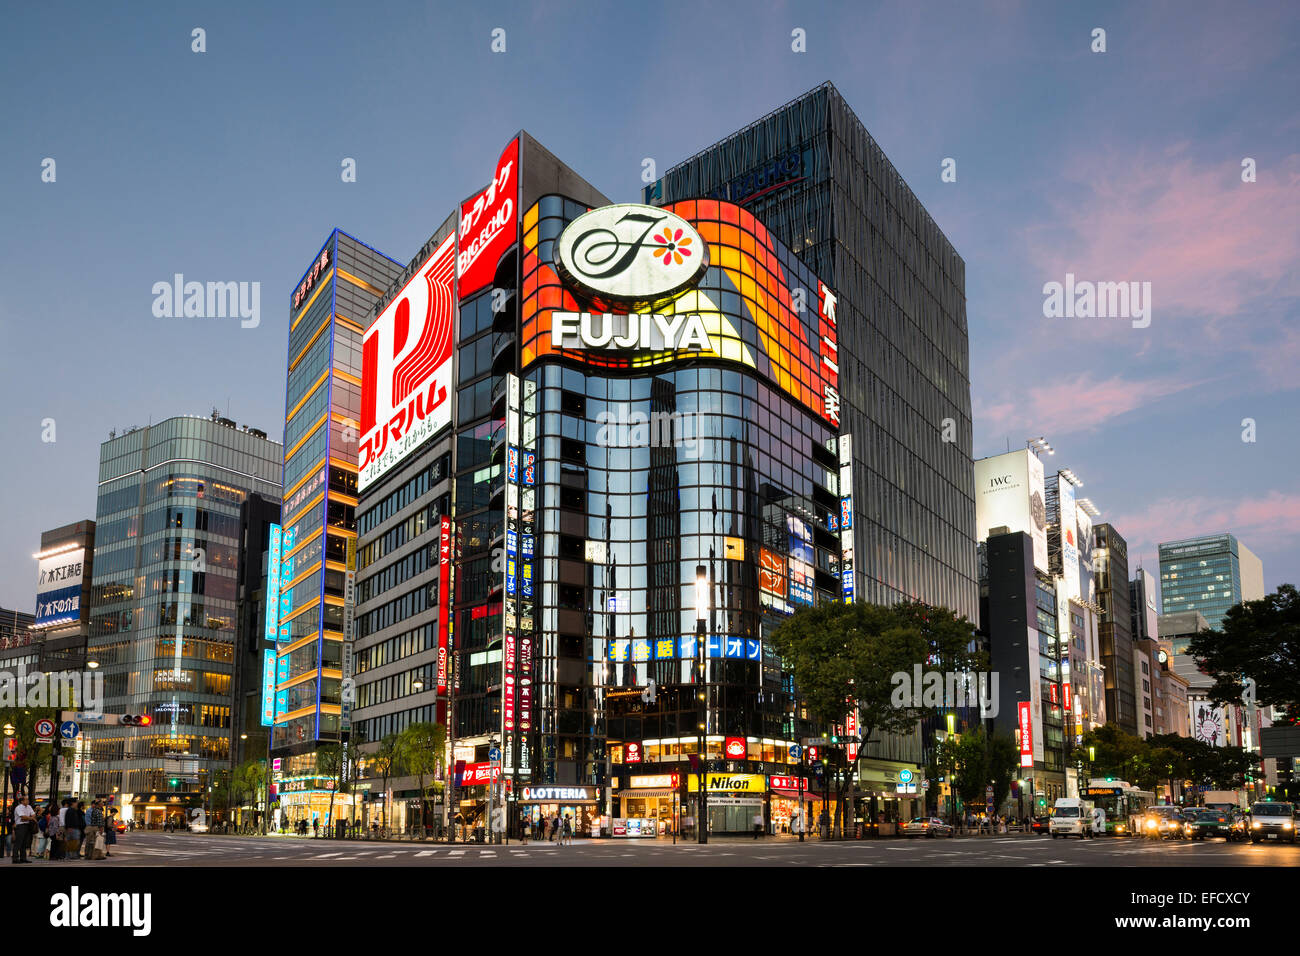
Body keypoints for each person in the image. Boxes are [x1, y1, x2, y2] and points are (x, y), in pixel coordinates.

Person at [12, 794, 36, 863]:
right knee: (18, 842)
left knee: (24, 843)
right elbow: (22, 817)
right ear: (22, 801)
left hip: (27, 825)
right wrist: (30, 818)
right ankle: (15, 858)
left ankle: (23, 858)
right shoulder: (19, 808)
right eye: (26, 799)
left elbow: (33, 815)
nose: (28, 801)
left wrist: (27, 818)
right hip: (20, 826)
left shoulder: (29, 807)